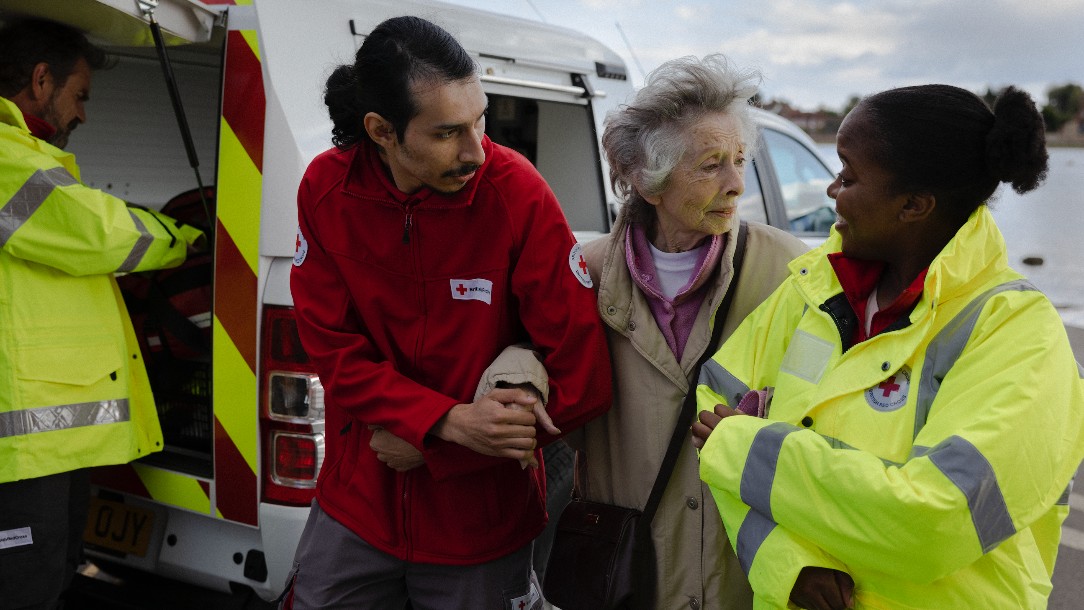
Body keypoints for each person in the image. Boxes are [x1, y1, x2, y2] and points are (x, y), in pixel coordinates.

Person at [693, 84, 1084, 610]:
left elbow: (933, 522)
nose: (831, 189)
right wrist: (786, 561)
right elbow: (710, 410)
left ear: (914, 206)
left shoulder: (1018, 332)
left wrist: (745, 446)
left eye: (849, 175)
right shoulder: (814, 288)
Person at [284, 15, 612, 610]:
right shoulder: (327, 190)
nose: (475, 150)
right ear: (381, 130)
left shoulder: (517, 194)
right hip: (358, 506)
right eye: (447, 133)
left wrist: (442, 442)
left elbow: (583, 374)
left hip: (480, 529)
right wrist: (447, 420)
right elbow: (331, 348)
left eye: (480, 120)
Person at [557, 54, 808, 609]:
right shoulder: (585, 272)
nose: (737, 184)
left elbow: (828, 391)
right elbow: (533, 354)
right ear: (649, 182)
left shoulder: (790, 269)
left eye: (740, 160)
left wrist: (777, 410)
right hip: (628, 566)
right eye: (711, 165)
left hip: (743, 570)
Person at [0, 18, 204, 609]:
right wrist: (187, 240)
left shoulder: (27, 160)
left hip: (41, 446)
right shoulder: (7, 159)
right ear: (41, 81)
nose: (82, 115)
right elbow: (92, 230)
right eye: (79, 95)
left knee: (50, 576)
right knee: (24, 588)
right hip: (20, 452)